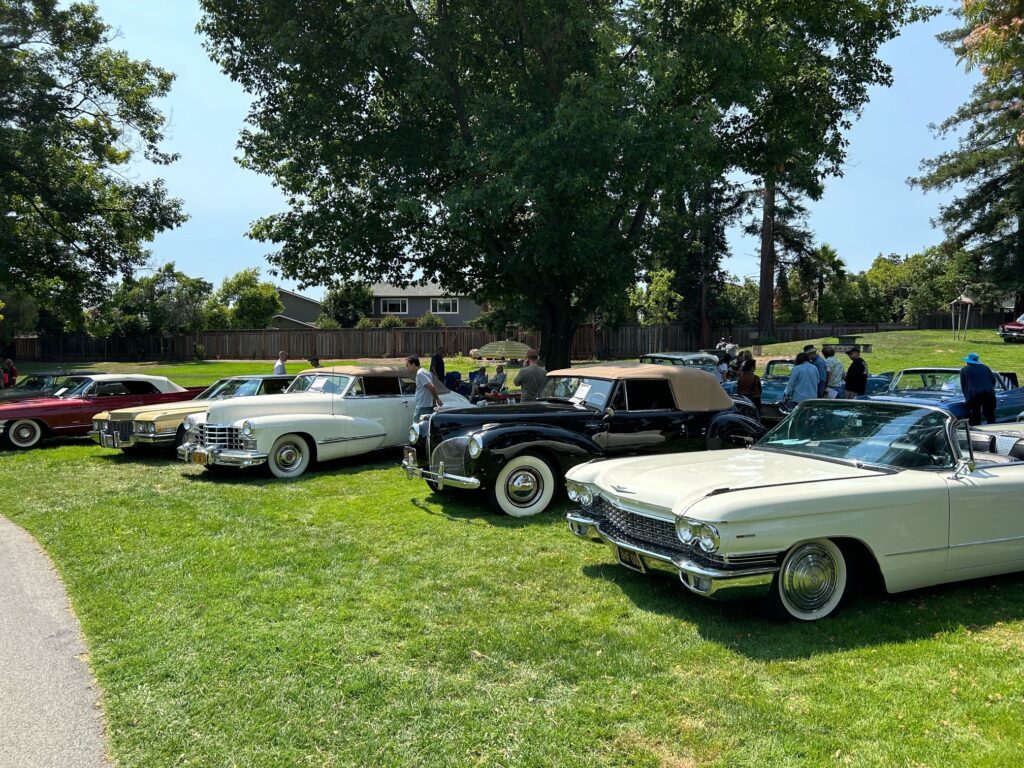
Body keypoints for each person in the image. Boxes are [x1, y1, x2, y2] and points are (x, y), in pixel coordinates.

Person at [960, 352, 998, 426]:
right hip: (988, 393)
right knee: (990, 414)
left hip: (974, 394)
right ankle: (992, 429)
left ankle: (977, 430)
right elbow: (993, 380)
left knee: (975, 414)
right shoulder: (985, 367)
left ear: (968, 361)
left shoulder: (964, 370)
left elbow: (963, 385)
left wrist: (966, 397)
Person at [406, 354, 443, 419]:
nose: (407, 368)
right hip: (426, 405)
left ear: (413, 364)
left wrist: (437, 399)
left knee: (416, 427)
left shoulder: (420, 373)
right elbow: (429, 388)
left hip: (422, 406)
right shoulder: (425, 371)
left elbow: (431, 386)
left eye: (407, 365)